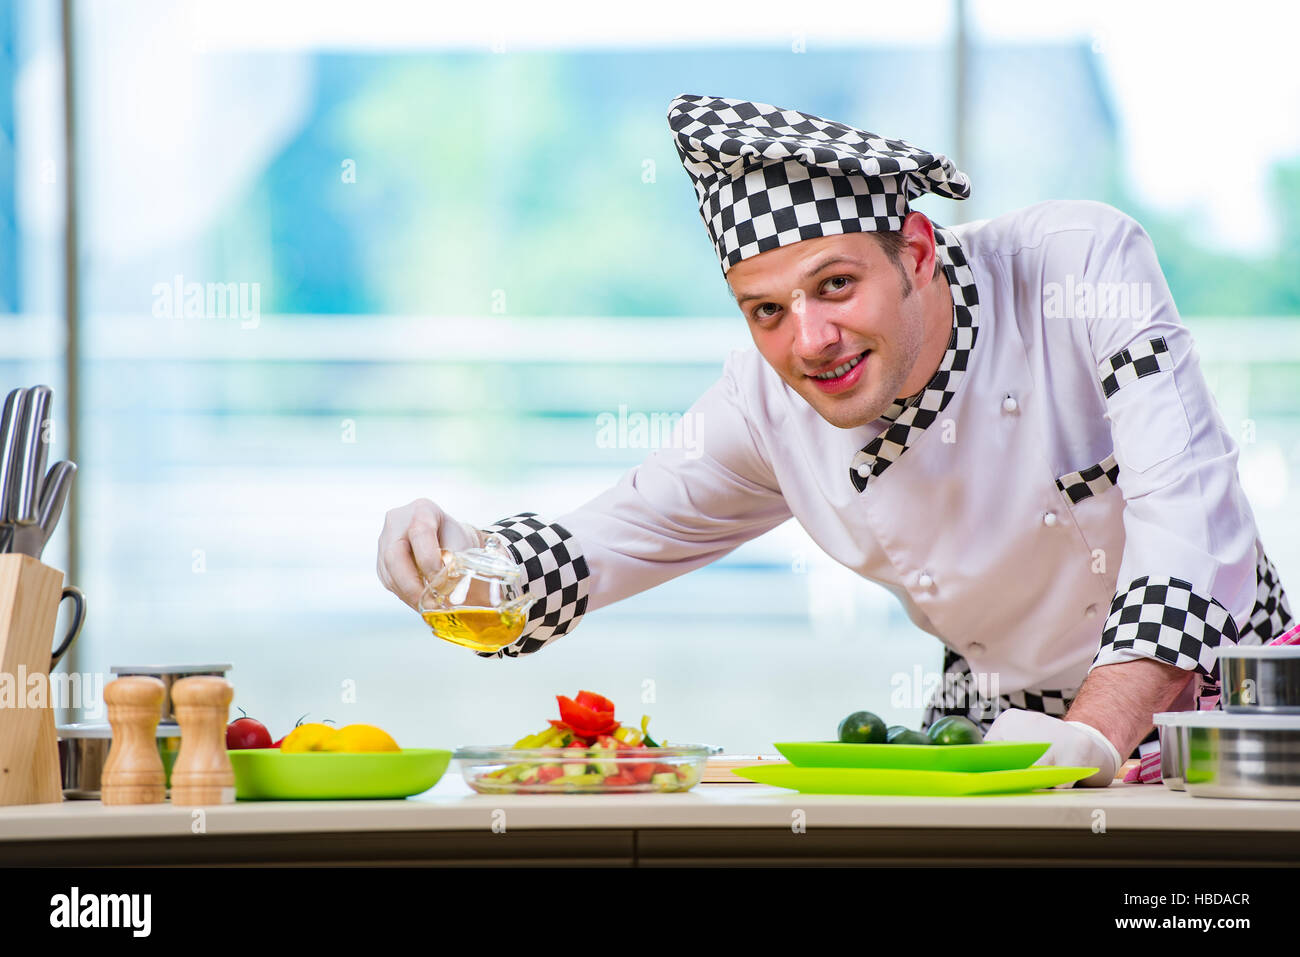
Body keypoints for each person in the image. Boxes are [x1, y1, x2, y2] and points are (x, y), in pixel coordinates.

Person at [376, 94, 1292, 786]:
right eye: (767, 310)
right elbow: (603, 540)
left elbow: (1187, 519)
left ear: (919, 252)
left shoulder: (1078, 264)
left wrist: (1092, 735)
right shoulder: (764, 409)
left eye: (837, 285)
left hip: (1227, 714)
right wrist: (463, 565)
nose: (808, 340)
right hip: (993, 736)